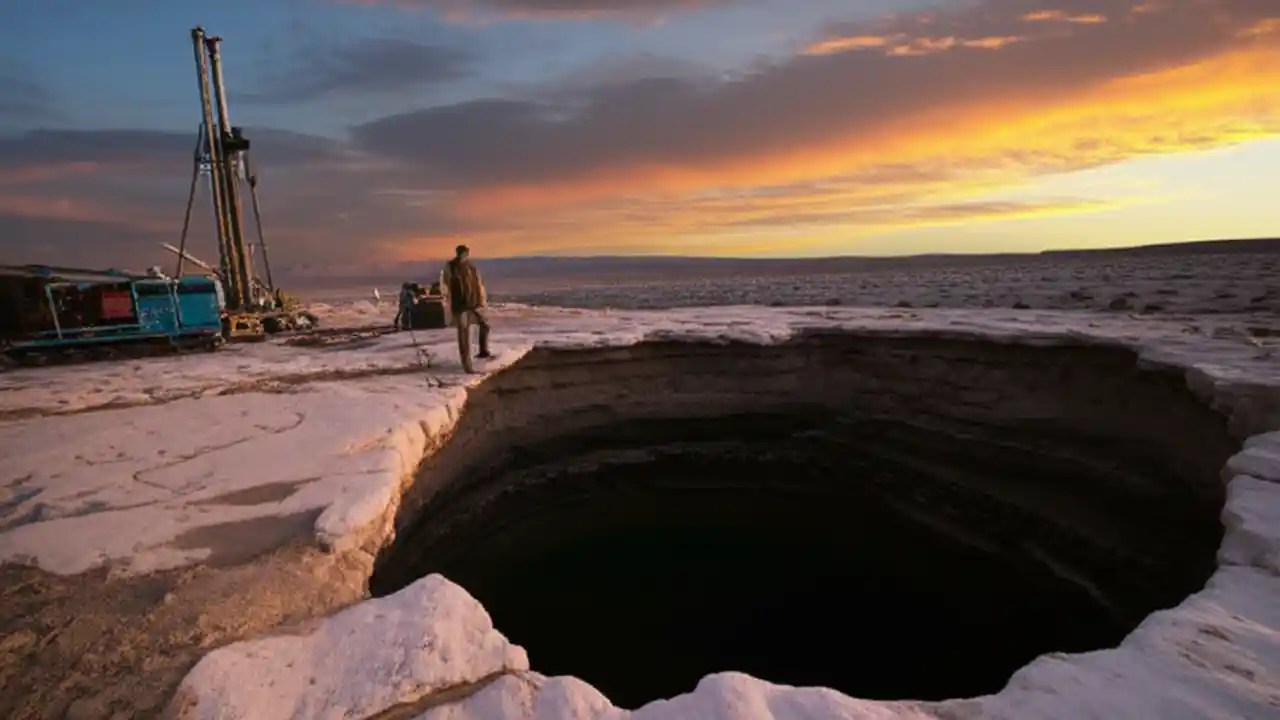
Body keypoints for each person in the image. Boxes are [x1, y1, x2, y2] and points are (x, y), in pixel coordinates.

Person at [441, 244, 492, 373]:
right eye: (461, 253)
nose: (463, 255)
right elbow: (445, 283)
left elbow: (478, 283)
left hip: (472, 302)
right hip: (460, 305)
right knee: (463, 334)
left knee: (485, 324)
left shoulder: (471, 267)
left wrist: (480, 299)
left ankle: (483, 351)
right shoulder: (451, 266)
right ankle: (467, 365)